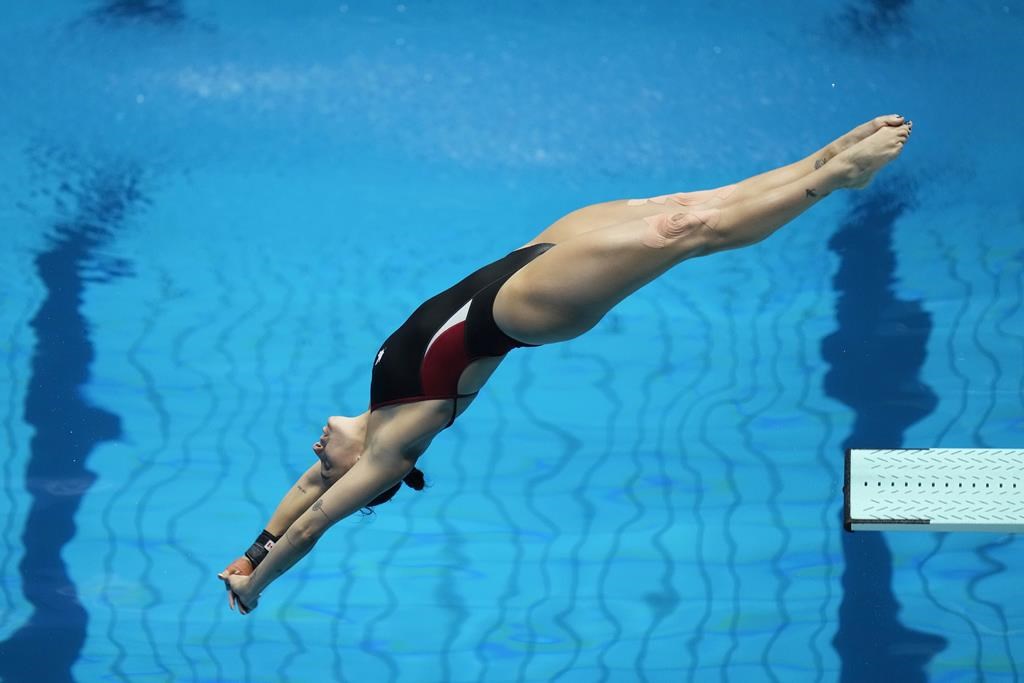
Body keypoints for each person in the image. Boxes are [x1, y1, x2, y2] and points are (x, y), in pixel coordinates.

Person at [219, 115, 913, 613]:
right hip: (527, 307)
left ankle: (822, 158)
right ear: (358, 472)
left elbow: (301, 496)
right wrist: (258, 583)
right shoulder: (391, 447)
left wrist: (252, 548)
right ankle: (836, 181)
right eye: (323, 464)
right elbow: (312, 522)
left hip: (525, 259)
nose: (313, 452)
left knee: (684, 204)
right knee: (684, 233)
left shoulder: (369, 418)